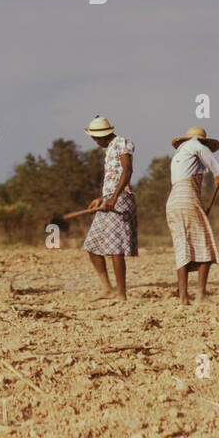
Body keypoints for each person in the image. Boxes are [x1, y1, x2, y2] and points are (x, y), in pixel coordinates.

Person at [167, 126, 219, 305]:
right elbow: (217, 170)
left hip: (174, 202)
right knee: (205, 244)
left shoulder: (179, 154)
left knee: (183, 247)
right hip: (187, 198)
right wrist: (218, 175)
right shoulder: (196, 145)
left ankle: (183, 296)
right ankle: (200, 295)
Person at [81, 115, 137, 300]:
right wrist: (101, 198)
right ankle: (108, 289)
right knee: (92, 245)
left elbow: (127, 170)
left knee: (115, 248)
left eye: (95, 139)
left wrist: (114, 197)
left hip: (120, 199)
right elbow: (114, 178)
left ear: (101, 136)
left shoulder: (122, 143)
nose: (95, 142)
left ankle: (121, 294)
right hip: (109, 198)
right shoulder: (110, 148)